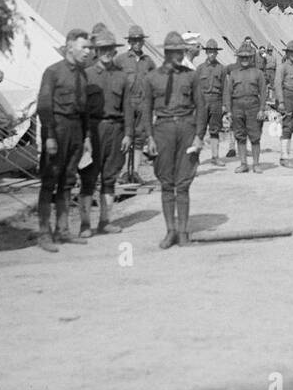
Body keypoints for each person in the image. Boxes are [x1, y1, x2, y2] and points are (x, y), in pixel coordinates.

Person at [137, 32, 206, 248]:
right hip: (163, 130)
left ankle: (184, 232)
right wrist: (149, 137)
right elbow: (146, 110)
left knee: (183, 184)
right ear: (166, 53)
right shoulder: (152, 78)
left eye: (181, 52)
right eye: (174, 52)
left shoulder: (191, 76)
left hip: (186, 127)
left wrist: (199, 136)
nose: (178, 55)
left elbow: (202, 107)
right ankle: (170, 232)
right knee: (166, 183)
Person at [35, 28, 93, 250]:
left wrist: (86, 136)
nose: (88, 52)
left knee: (68, 180)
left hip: (76, 130)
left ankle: (63, 230)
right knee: (50, 180)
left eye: (89, 48)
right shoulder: (53, 72)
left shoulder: (83, 74)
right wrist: (49, 135)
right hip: (57, 128)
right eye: (84, 47)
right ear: (70, 46)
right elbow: (44, 105)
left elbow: (85, 109)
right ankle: (43, 233)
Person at [77, 28, 132, 237]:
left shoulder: (122, 76)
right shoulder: (87, 75)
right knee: (88, 178)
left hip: (116, 131)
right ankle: (84, 225)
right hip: (92, 130)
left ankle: (105, 222)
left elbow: (128, 106)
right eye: (103, 49)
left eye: (110, 48)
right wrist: (85, 136)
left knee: (110, 178)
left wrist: (128, 133)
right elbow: (81, 109)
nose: (107, 52)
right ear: (96, 51)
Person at [116, 24, 155, 182]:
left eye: (140, 40)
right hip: (126, 103)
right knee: (125, 135)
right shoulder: (121, 60)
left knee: (140, 137)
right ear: (130, 42)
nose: (137, 43)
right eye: (134, 40)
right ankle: (124, 172)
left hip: (143, 104)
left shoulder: (149, 62)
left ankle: (135, 172)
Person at [224, 43, 270, 172]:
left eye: (247, 57)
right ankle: (243, 164)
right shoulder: (233, 74)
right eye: (242, 57)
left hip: (253, 107)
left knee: (255, 137)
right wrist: (228, 111)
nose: (244, 60)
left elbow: (263, 92)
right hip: (237, 107)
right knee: (240, 136)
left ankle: (256, 164)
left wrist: (262, 109)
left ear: (251, 58)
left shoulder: (258, 73)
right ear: (239, 58)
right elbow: (228, 93)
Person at [194, 39, 228, 166]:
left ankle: (215, 157)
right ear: (206, 52)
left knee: (215, 130)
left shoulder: (221, 68)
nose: (212, 54)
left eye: (214, 52)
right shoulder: (200, 69)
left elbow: (225, 87)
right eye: (209, 52)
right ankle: (195, 157)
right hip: (202, 102)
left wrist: (225, 105)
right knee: (199, 130)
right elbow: (195, 88)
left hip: (216, 102)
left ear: (217, 53)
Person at [275, 41, 293, 167]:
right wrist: (281, 102)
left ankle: (285, 154)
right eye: (291, 52)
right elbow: (278, 84)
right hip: (286, 97)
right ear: (286, 53)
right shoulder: (282, 67)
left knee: (292, 127)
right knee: (286, 126)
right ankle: (284, 157)